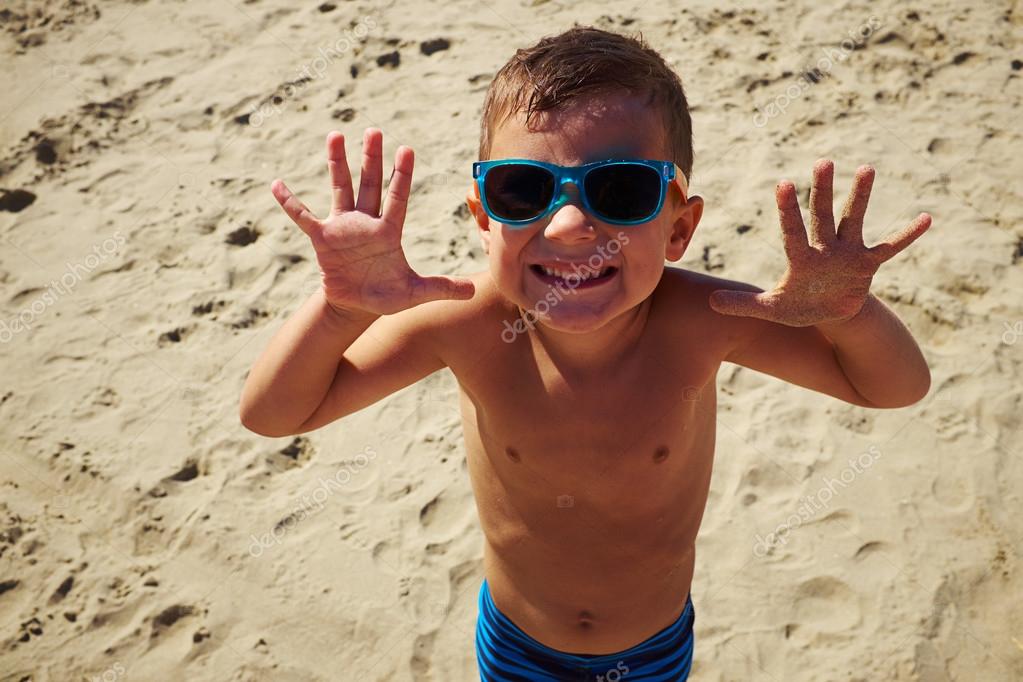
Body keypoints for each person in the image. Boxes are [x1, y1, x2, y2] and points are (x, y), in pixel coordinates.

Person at [239, 26, 931, 681]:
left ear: (678, 227)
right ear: (483, 220)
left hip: (653, 648)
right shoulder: (463, 321)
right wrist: (339, 312)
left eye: (620, 190)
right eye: (524, 190)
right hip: (516, 646)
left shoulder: (708, 320)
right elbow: (275, 415)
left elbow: (888, 387)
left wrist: (852, 313)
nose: (570, 226)